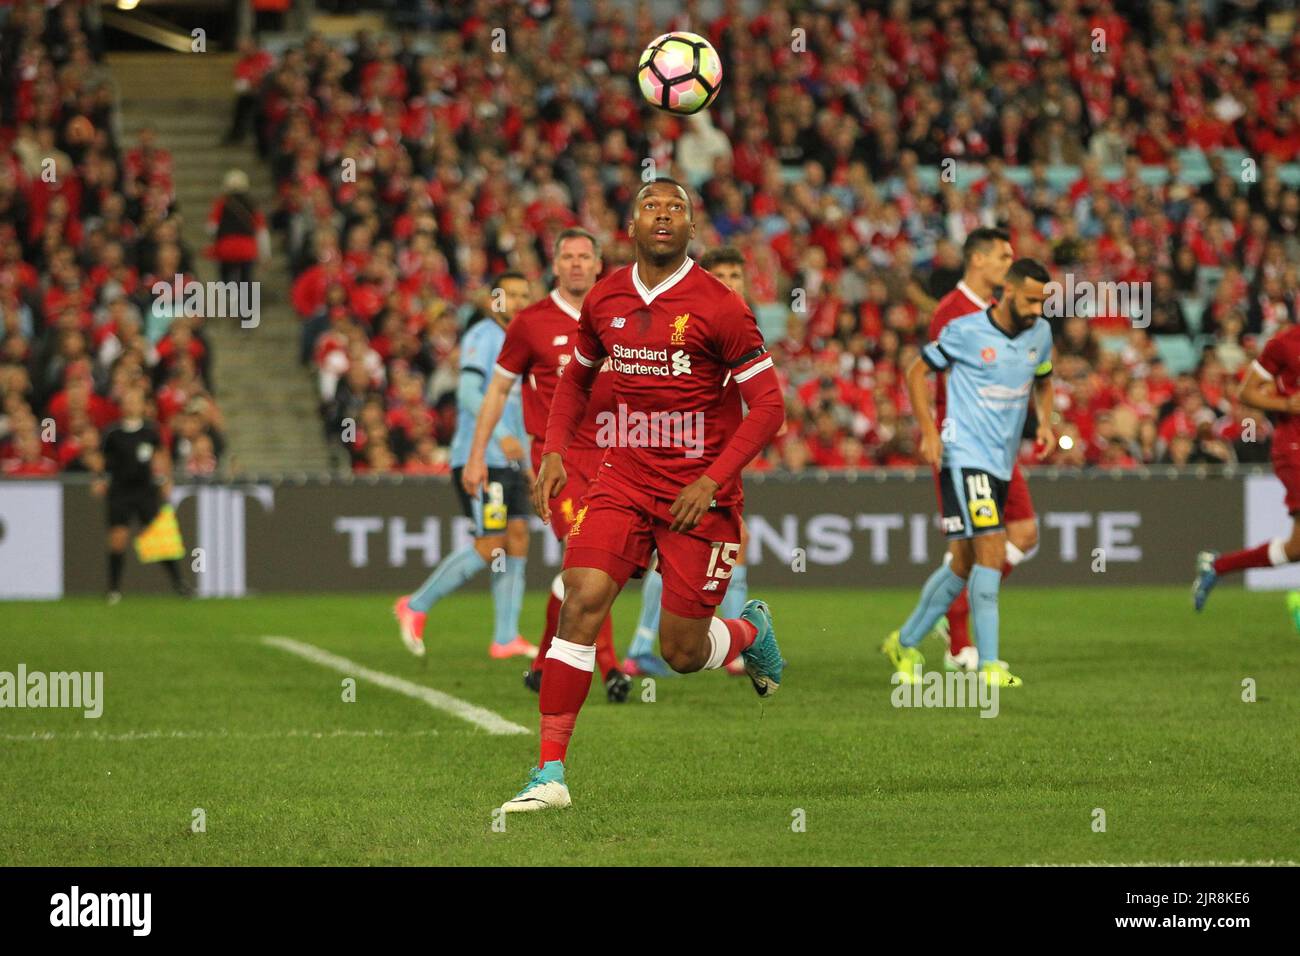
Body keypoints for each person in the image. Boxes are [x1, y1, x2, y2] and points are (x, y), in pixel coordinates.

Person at [501, 179, 786, 813]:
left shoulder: (721, 306)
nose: (663, 215)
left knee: (681, 652)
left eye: (676, 208)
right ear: (629, 226)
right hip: (623, 477)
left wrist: (712, 480)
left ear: (691, 228)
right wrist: (552, 452)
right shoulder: (604, 299)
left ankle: (749, 631)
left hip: (698, 493)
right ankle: (549, 773)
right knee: (583, 599)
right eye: (651, 207)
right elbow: (574, 380)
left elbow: (768, 407)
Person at [462, 228, 631, 703]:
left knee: (590, 567)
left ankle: (541, 662)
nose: (577, 264)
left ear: (599, 265)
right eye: (568, 257)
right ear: (555, 266)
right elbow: (496, 390)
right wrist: (477, 455)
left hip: (617, 455)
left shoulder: (620, 316)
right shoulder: (531, 322)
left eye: (585, 257)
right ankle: (611, 667)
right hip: (557, 460)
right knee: (591, 554)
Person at [882, 258, 1056, 688]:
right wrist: (928, 431)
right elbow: (917, 371)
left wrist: (1047, 423)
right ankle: (990, 664)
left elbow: (1045, 378)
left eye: (1043, 301)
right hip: (964, 456)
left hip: (1002, 461)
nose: (1037, 309)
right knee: (991, 553)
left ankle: (903, 643)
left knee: (962, 562)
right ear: (1010, 292)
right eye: (1031, 300)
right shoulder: (965, 331)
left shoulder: (1040, 334)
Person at [624, 245, 753, 678]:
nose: (732, 283)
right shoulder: (692, 326)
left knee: (724, 551)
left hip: (720, 462)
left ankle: (728, 646)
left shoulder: (739, 328)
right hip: (682, 462)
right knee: (676, 554)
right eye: (723, 275)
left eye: (737, 274)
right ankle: (654, 645)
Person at [393, 273, 537, 660]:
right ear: (495, 302)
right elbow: (471, 393)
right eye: (512, 295)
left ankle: (506, 637)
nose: (520, 301)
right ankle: (416, 604)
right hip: (482, 460)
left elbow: (524, 408)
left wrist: (527, 460)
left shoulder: (525, 342)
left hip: (511, 461)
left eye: (526, 294)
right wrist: (502, 435)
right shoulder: (482, 337)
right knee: (492, 544)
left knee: (518, 537)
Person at [927, 227, 1039, 672]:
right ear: (978, 260)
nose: (1009, 264)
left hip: (999, 444)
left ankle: (956, 611)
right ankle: (958, 640)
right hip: (965, 444)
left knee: (1025, 532)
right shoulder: (951, 314)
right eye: (1003, 256)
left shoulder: (996, 310)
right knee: (970, 547)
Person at [1193, 321, 1300, 607]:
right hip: (1293, 448)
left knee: (1295, 548)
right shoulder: (1285, 344)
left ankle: (1218, 566)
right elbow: (1246, 392)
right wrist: (1286, 405)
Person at [93, 387, 190, 602]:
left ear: (142, 406)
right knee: (118, 539)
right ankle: (113, 589)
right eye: (127, 401)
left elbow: (162, 456)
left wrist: (166, 479)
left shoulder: (150, 431)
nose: (131, 405)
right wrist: (99, 478)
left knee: (159, 538)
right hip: (119, 491)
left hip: (145, 491)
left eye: (135, 401)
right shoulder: (112, 432)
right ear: (122, 406)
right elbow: (100, 460)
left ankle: (179, 582)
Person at [206, 169, 268, 287]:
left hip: (226, 247)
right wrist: (265, 254)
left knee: (225, 278)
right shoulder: (253, 205)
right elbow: (262, 231)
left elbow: (211, 227)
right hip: (247, 248)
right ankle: (246, 303)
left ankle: (228, 296)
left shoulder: (221, 203)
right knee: (247, 281)